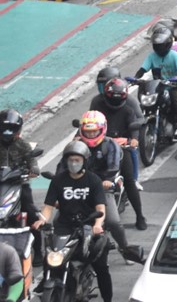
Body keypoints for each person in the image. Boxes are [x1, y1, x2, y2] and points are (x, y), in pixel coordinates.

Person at [34, 142, 114, 302]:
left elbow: (100, 207)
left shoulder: (94, 180)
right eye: (70, 160)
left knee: (101, 266)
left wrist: (98, 224)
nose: (73, 163)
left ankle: (108, 298)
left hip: (88, 225)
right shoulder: (57, 181)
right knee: (51, 255)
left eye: (77, 160)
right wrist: (42, 220)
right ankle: (46, 280)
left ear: (84, 161)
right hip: (64, 225)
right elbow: (48, 206)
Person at [72, 112, 143, 269]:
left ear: (102, 130)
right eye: (87, 131)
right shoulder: (75, 146)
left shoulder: (111, 145)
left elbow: (112, 169)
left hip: (101, 188)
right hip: (77, 187)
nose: (90, 135)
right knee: (59, 219)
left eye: (94, 131)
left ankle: (125, 249)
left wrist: (106, 182)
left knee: (113, 221)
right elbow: (64, 166)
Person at [89, 80, 145, 231]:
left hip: (120, 147)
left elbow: (134, 127)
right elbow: (89, 120)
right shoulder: (97, 104)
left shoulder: (128, 110)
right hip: (96, 144)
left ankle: (140, 216)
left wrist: (132, 140)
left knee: (129, 180)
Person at [135, 26, 177, 141]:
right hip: (158, 86)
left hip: (174, 86)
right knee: (144, 104)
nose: (159, 48)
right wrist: (135, 78)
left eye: (161, 45)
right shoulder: (151, 57)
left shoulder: (174, 55)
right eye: (157, 45)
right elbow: (143, 69)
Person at [0, 109, 42, 261]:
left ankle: (38, 249)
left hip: (18, 184)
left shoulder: (22, 145)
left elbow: (32, 161)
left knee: (31, 212)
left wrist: (33, 169)